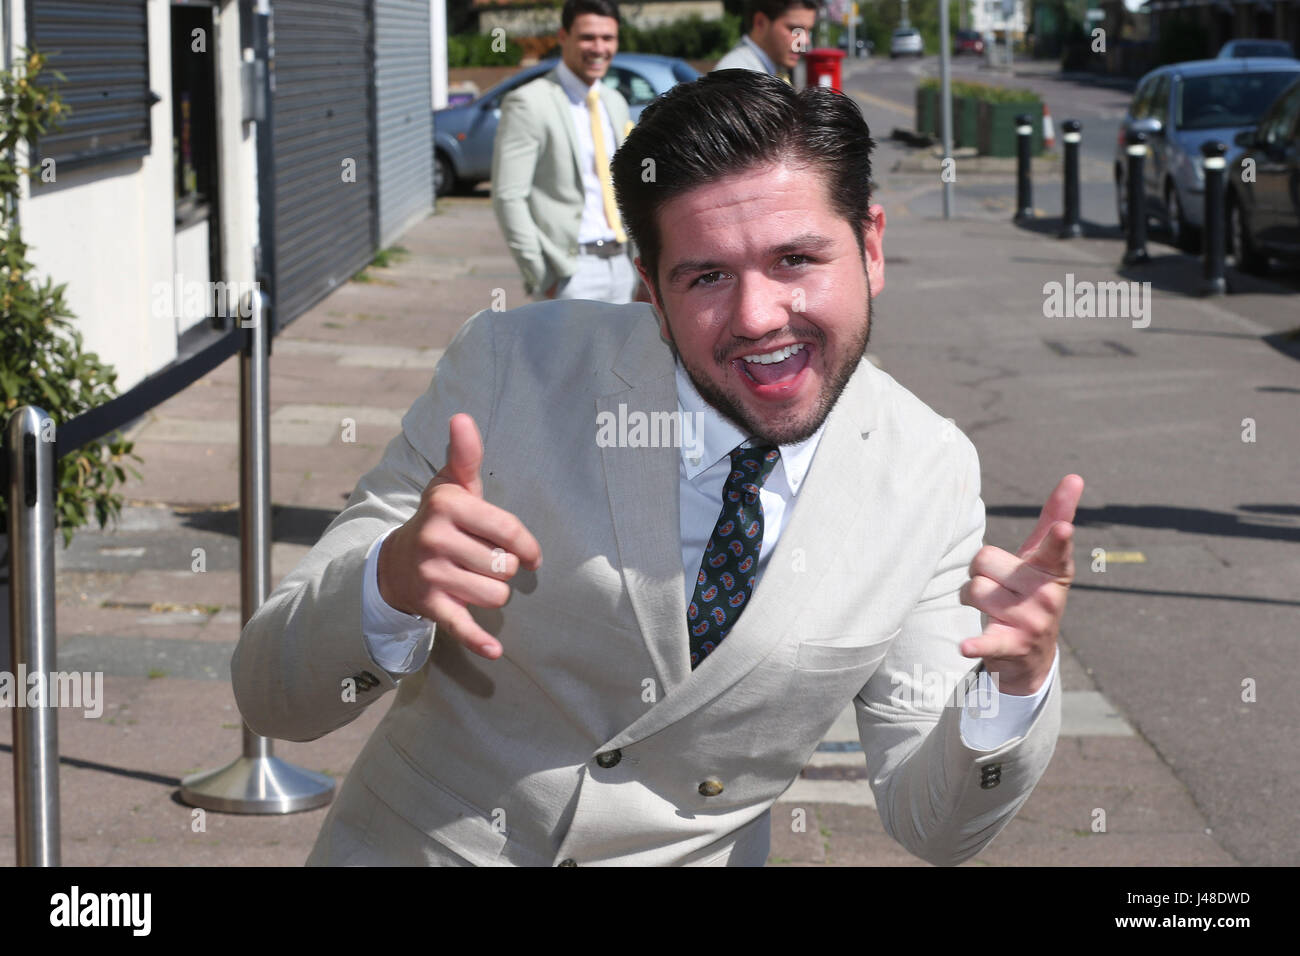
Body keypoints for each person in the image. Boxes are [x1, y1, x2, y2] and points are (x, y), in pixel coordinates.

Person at [232, 70, 1083, 867]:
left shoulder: (928, 475)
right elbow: (275, 697)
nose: (757, 317)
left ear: (871, 244)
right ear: (649, 288)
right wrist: (387, 587)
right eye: (707, 275)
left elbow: (934, 822)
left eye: (796, 260)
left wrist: (1013, 688)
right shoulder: (509, 372)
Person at [491, 0, 639, 304]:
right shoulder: (529, 103)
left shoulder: (614, 102)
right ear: (563, 37)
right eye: (588, 37)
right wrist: (539, 273)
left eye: (608, 38)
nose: (599, 48)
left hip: (622, 266)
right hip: (570, 272)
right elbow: (508, 195)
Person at [711, 0, 818, 83]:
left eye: (809, 31)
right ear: (760, 22)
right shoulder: (736, 78)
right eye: (794, 29)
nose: (805, 41)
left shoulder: (769, 69)